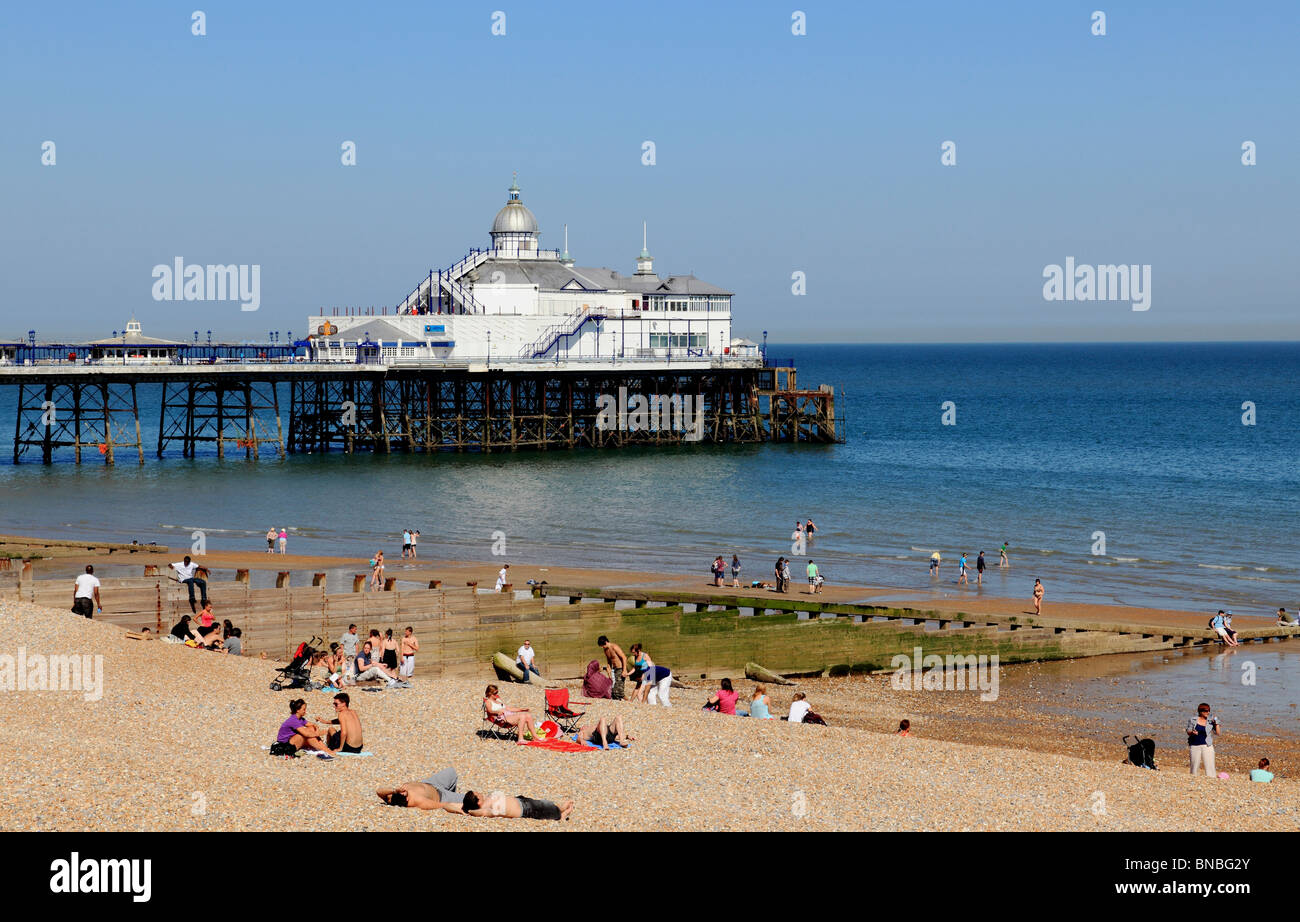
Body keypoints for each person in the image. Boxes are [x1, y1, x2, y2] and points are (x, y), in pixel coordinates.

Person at [446, 790, 574, 822]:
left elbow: (448, 805)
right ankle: (561, 814)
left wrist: (463, 809)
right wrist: (468, 812)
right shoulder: (485, 810)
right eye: (478, 793)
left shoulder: (484, 803)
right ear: (478, 800)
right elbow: (482, 813)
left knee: (545, 804)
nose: (480, 793)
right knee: (550, 809)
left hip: (521, 801)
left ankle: (560, 811)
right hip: (527, 810)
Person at [377, 767, 465, 809]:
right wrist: (460, 808)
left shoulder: (395, 795)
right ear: (406, 799)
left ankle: (452, 792)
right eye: (403, 795)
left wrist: (394, 790)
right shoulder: (417, 801)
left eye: (400, 792)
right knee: (472, 799)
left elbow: (379, 791)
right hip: (442, 796)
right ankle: (452, 795)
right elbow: (443, 805)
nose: (403, 792)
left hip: (431, 782)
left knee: (451, 771)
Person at [1186, 702, 1220, 776]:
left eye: (1208, 710)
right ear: (1200, 711)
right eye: (1205, 711)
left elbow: (1217, 733)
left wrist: (1216, 723)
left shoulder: (1210, 721)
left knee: (1210, 765)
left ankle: (1211, 779)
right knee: (1194, 766)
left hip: (1207, 745)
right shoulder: (1193, 719)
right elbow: (1188, 731)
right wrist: (1192, 732)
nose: (1208, 712)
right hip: (1194, 745)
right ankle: (1193, 778)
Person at [597, 636, 627, 700]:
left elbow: (624, 657)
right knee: (613, 689)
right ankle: (619, 702)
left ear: (606, 642)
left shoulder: (614, 647)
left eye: (603, 645)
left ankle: (629, 701)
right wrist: (609, 671)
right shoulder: (605, 650)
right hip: (614, 669)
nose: (602, 647)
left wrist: (624, 670)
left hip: (620, 668)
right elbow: (609, 661)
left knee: (618, 689)